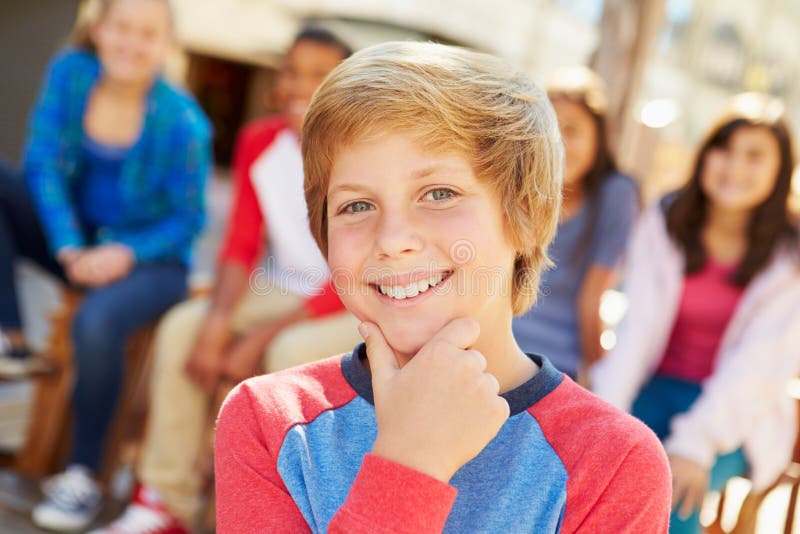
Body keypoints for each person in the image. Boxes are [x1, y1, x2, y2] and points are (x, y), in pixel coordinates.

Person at [214, 41, 671, 533]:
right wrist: (410, 464)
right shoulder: (268, 422)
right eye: (356, 206)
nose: (392, 241)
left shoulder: (614, 464)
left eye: (439, 194)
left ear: (525, 218)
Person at [92, 27, 356, 534]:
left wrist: (260, 335)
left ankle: (263, 519)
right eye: (291, 71)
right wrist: (217, 320)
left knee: (286, 357)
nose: (301, 85)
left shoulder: (358, 151)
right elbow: (241, 242)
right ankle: (165, 501)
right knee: (183, 327)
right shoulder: (260, 140)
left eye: (320, 76)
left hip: (352, 301)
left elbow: (356, 271)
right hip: (283, 286)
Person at [0, 0, 211, 530]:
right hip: (77, 241)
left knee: (96, 322)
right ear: (99, 28)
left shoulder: (184, 121)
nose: (131, 44)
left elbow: (188, 220)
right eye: (122, 28)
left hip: (152, 260)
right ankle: (10, 337)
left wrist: (122, 253)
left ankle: (83, 477)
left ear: (164, 43)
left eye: (147, 34)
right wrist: (70, 246)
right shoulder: (70, 74)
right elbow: (42, 163)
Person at [591, 93, 800, 533]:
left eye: (755, 156)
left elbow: (760, 367)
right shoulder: (666, 219)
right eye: (724, 148)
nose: (734, 166)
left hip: (735, 414)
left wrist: (695, 445)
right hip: (652, 387)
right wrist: (608, 418)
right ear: (705, 154)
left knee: (671, 494)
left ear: (780, 171)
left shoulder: (791, 253)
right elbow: (636, 330)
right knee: (601, 480)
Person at [512, 67, 639, 382]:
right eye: (549, 128)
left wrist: (598, 380)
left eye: (572, 130)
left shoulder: (616, 193)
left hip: (556, 363)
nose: (558, 143)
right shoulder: (515, 186)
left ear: (599, 138)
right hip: (491, 347)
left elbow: (592, 298)